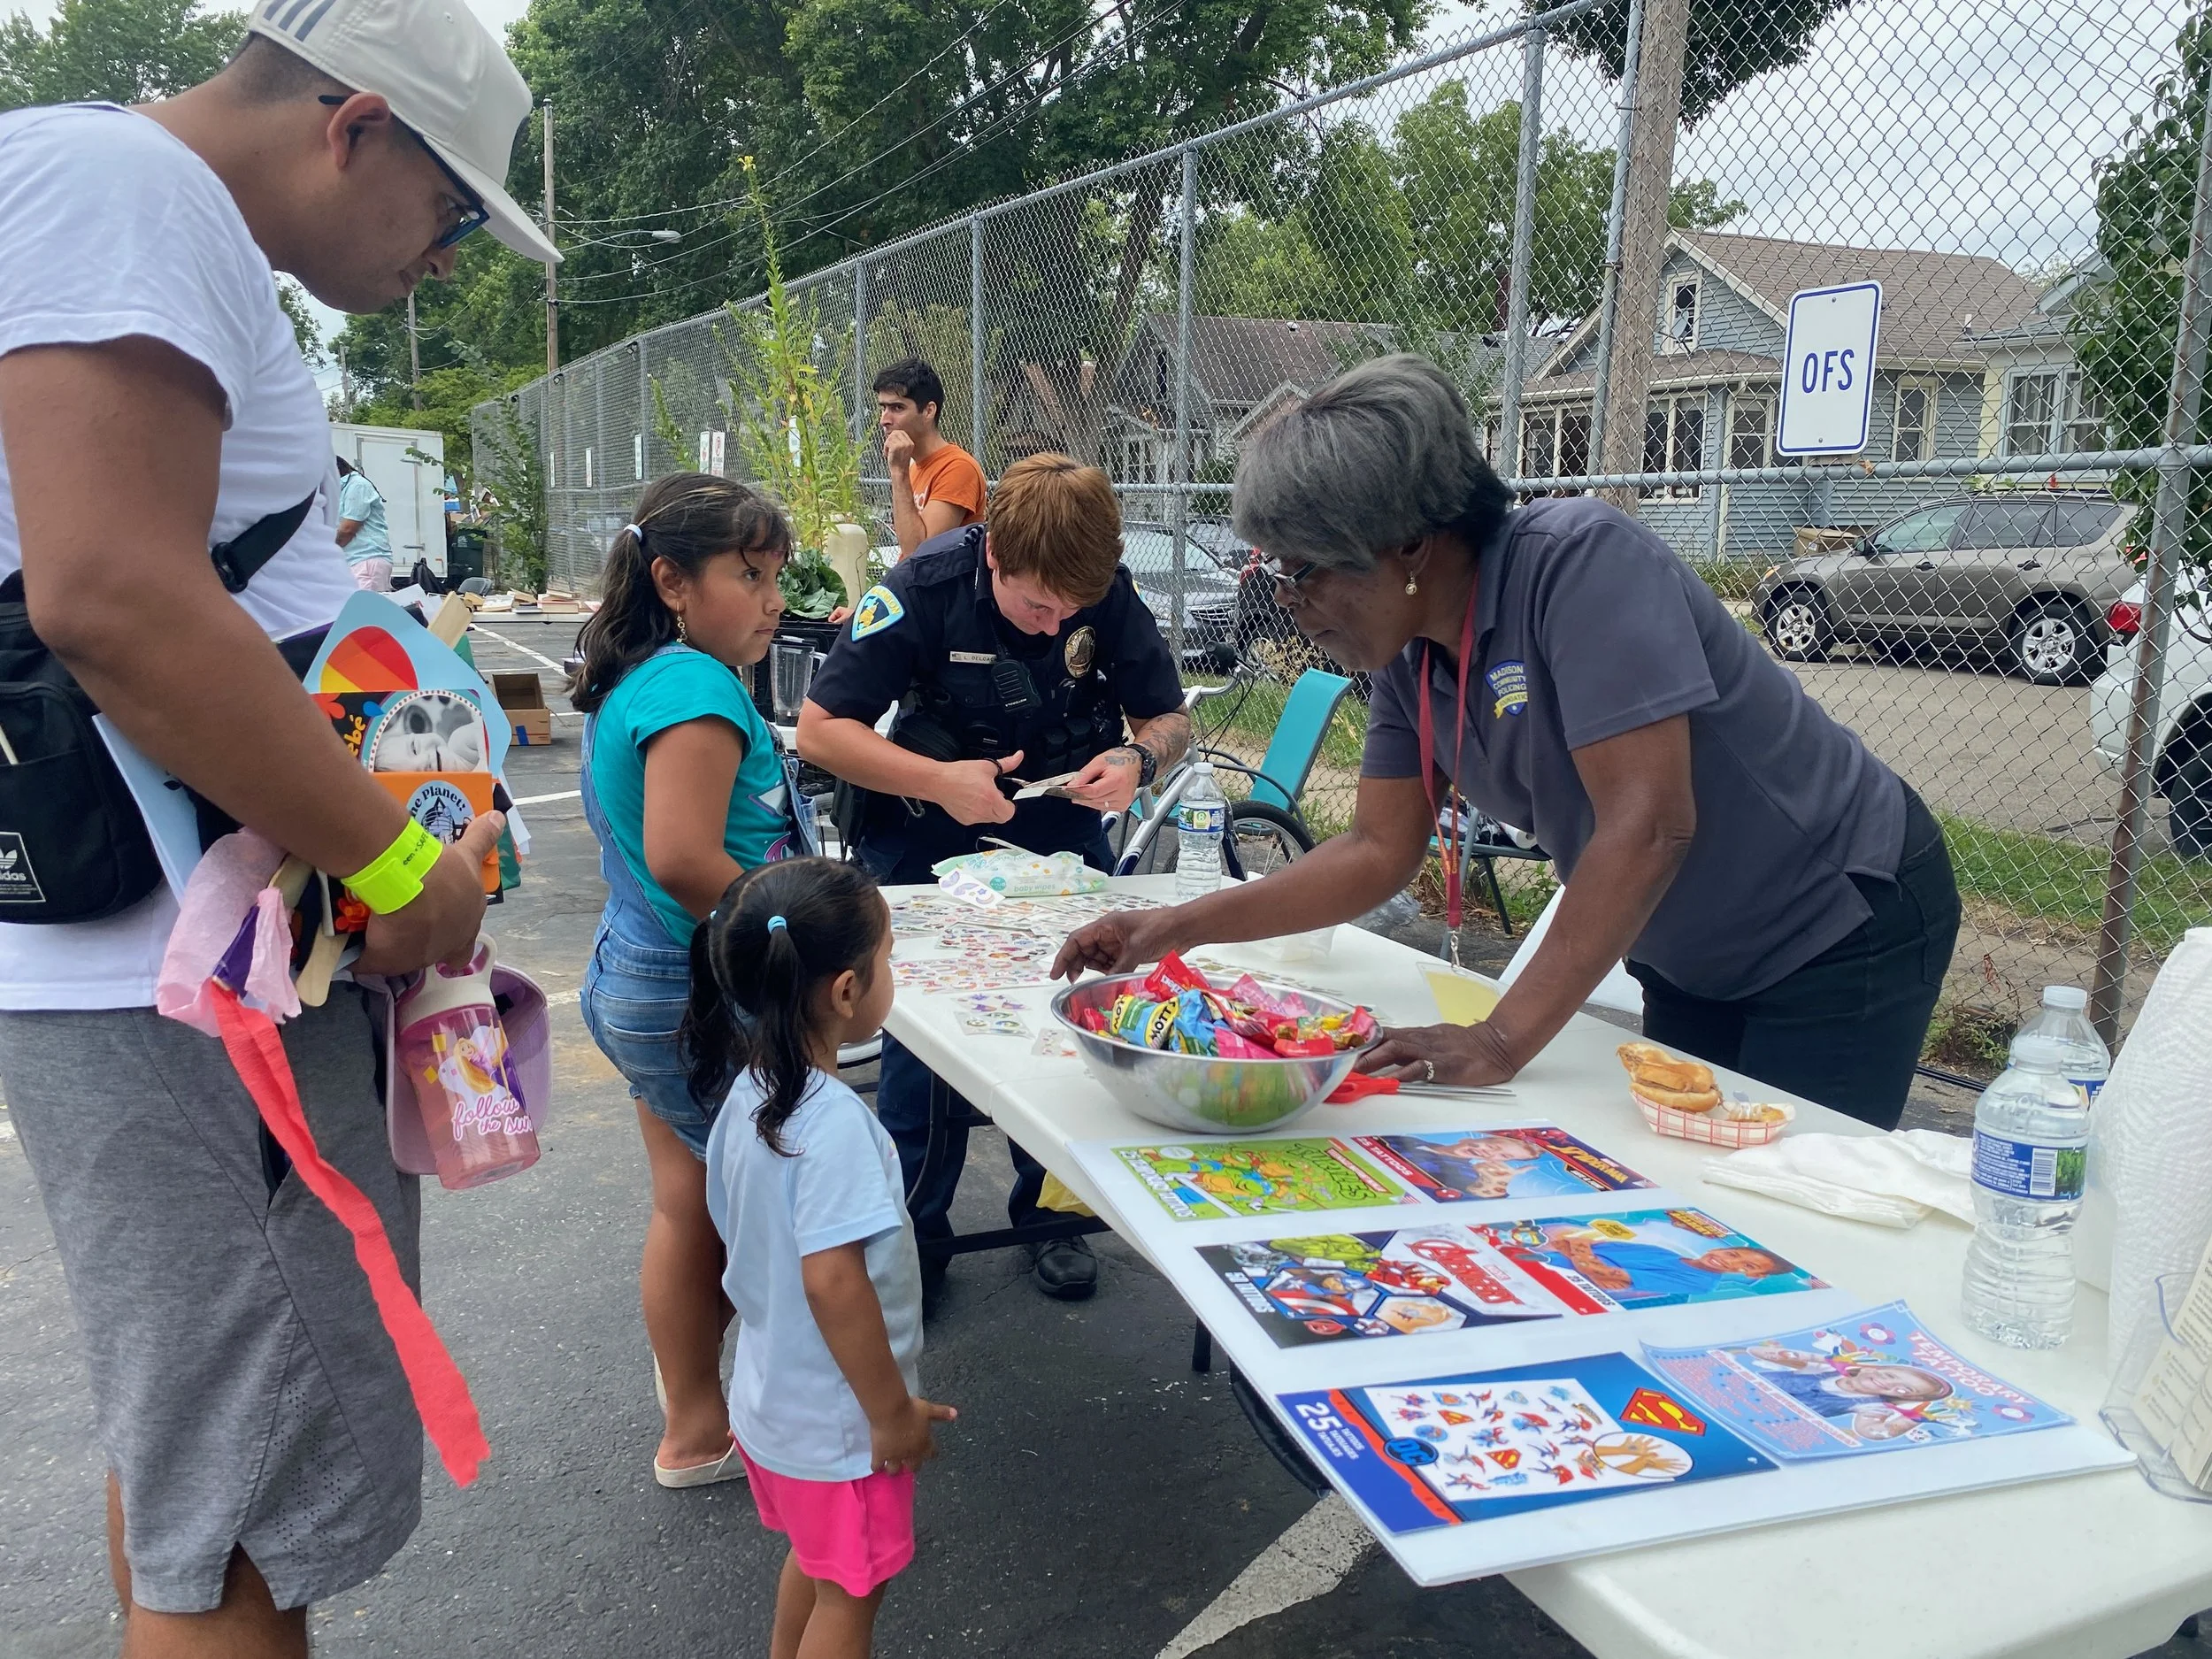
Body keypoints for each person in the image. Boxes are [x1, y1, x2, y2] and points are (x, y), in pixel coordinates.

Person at [0, 1, 551, 1650]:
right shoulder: (126, 189)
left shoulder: (111, 194)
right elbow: (117, 599)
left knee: (198, 1468)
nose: (445, 258)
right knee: (243, 1506)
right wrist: (398, 868)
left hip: (182, 967)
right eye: (453, 211)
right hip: (198, 991)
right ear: (354, 123)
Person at [1055, 355, 1962, 1132]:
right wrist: (1173, 929)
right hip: (1688, 948)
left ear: (1407, 544)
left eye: (1304, 572)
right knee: (1694, 1176)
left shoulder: (1579, 563)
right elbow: (1376, 850)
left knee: (1792, 1202)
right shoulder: (1412, 659)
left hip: (1839, 921)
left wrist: (1498, 1037)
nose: (1290, 604)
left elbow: (1647, 825)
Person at [797, 454, 1189, 1301]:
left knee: (1061, 1030)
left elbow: (1170, 715)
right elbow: (823, 730)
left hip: (1058, 849)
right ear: (994, 559)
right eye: (1036, 606)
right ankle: (914, 1235)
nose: (1054, 628)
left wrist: (1137, 757)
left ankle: (1050, 1214)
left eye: (1072, 612)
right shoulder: (923, 585)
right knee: (925, 1051)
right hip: (923, 840)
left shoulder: (1101, 588)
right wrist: (941, 781)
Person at [569, 472, 798, 1489]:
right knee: (776, 1204)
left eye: (776, 578)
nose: (772, 600)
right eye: (748, 575)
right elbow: (683, 858)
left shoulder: (651, 675)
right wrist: (809, 933)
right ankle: (772, 1419)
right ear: (670, 579)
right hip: (694, 988)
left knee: (687, 1202)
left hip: (640, 976)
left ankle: (696, 1423)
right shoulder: (696, 687)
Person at [686, 857, 956, 1659]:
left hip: (776, 1404)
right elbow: (834, 1280)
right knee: (852, 1596)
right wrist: (892, 1415)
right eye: (889, 958)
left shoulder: (750, 1092)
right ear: (846, 991)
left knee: (817, 1562)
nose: (892, 974)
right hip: (841, 1430)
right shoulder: (834, 1125)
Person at [876, 357, 986, 559]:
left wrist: (898, 473)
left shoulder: (958, 468)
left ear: (928, 411)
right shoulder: (913, 466)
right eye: (883, 408)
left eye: (897, 408)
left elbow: (919, 555)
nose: (884, 420)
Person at [334, 454, 393, 591]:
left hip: (365, 561)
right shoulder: (343, 487)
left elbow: (347, 530)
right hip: (355, 562)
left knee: (363, 611)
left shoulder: (358, 486)